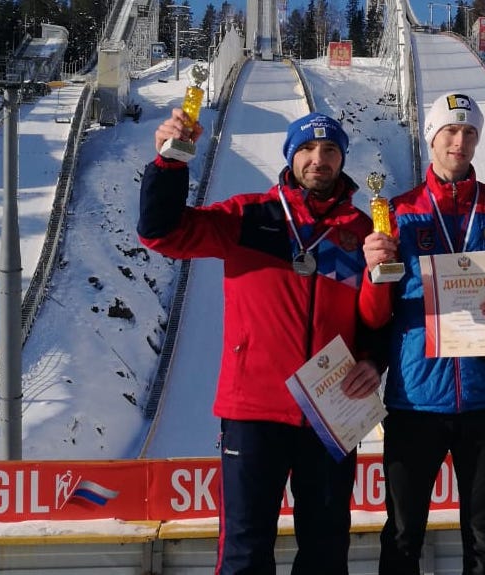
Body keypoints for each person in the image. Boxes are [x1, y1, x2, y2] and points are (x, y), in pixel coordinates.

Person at [138, 110, 383, 574]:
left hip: (332, 411)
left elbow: (378, 311)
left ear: (342, 158)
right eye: (307, 150)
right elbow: (162, 234)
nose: (319, 159)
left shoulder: (361, 231)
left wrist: (374, 358)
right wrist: (168, 164)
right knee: (246, 551)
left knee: (327, 550)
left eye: (330, 150)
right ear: (291, 157)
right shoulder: (248, 216)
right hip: (254, 410)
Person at [359, 93, 485, 575]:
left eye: (470, 132)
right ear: (432, 136)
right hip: (416, 400)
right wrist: (375, 273)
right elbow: (375, 317)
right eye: (450, 131)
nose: (460, 141)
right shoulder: (396, 212)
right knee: (401, 535)